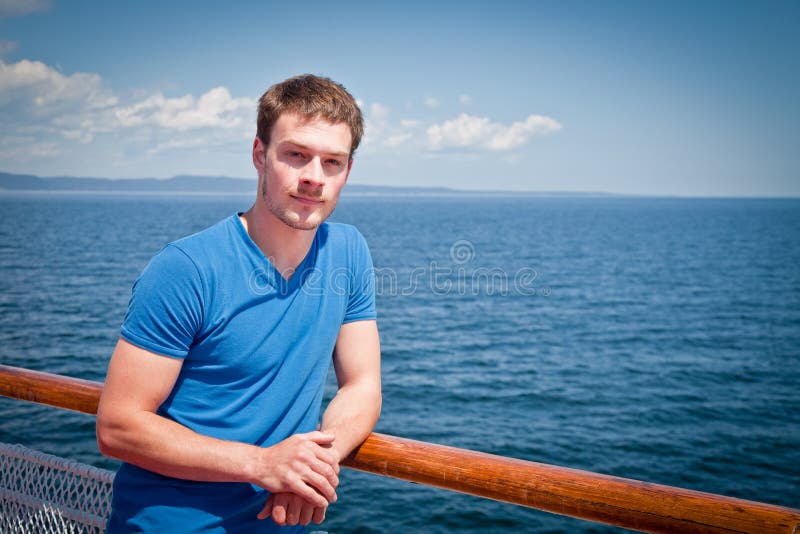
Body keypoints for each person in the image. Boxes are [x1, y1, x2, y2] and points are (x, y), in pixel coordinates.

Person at [96, 74, 382, 532]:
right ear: (259, 155)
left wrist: (309, 466)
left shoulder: (348, 251)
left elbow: (362, 385)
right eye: (295, 155)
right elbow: (118, 426)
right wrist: (264, 465)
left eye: (333, 161)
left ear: (348, 170)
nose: (313, 177)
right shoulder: (186, 268)